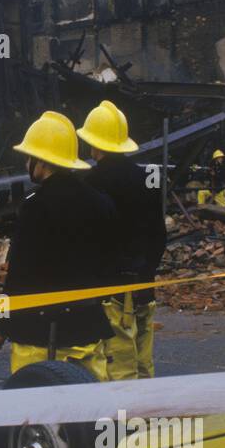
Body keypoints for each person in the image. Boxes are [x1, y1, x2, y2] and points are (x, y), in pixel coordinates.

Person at [0, 111, 118, 380]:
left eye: (28, 157)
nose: (26, 163)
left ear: (40, 161)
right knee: (89, 413)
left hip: (38, 333)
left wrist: (0, 326)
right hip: (88, 327)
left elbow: (18, 275)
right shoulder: (101, 202)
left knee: (33, 410)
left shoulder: (35, 207)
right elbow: (109, 261)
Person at [79, 101, 166, 379]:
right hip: (143, 286)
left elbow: (91, 241)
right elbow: (158, 235)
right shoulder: (146, 179)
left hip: (112, 291)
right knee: (142, 362)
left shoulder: (90, 184)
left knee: (119, 366)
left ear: (94, 144)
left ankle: (122, 423)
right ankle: (146, 420)